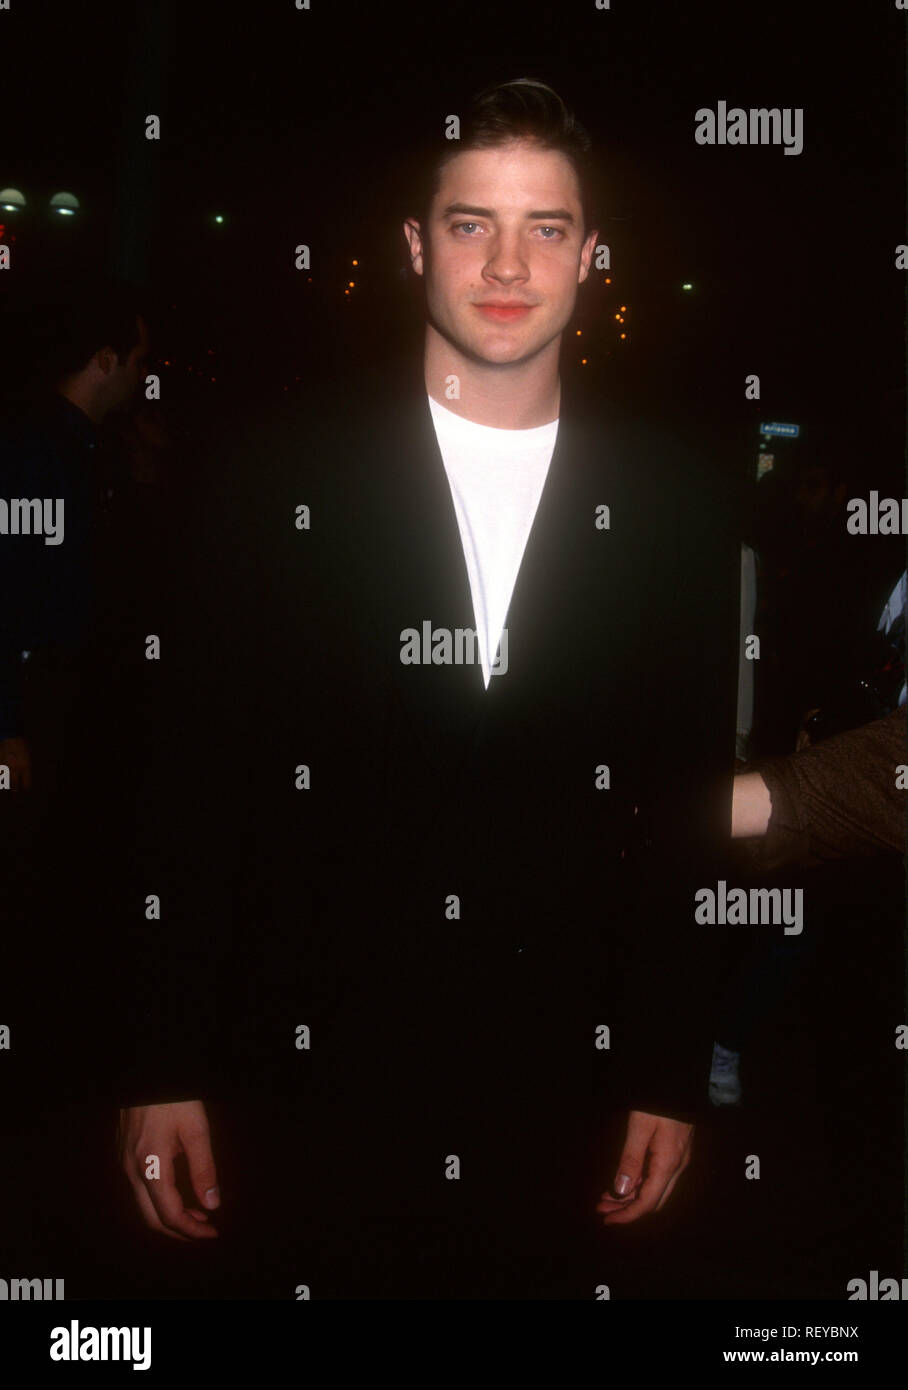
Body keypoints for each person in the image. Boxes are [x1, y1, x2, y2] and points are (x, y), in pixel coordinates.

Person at [116, 79, 741, 1299]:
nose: (506, 263)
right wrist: (159, 1054)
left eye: (544, 227)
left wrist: (669, 1064)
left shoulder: (673, 505)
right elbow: (184, 785)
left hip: (559, 1086)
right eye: (470, 224)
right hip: (293, 1077)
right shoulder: (267, 480)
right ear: (416, 246)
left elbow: (680, 804)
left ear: (590, 256)